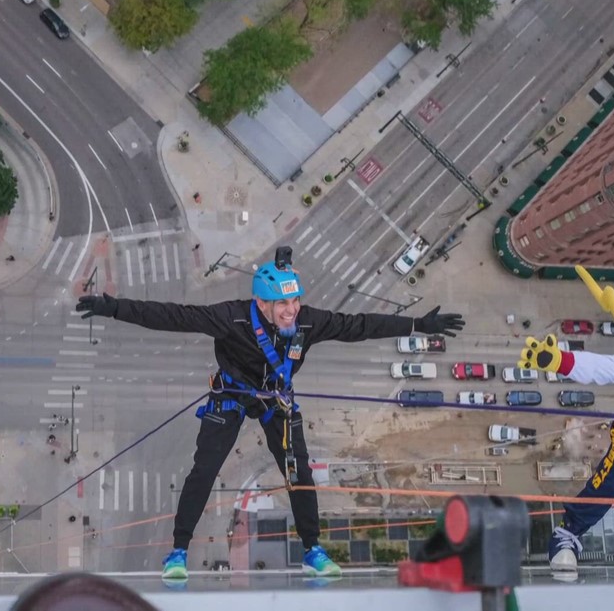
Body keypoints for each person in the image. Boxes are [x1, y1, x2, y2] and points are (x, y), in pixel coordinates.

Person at [76, 247, 464, 580]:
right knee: (204, 470)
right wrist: (112, 308)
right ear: (261, 303)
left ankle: (314, 551)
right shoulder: (231, 318)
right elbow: (173, 317)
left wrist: (417, 325)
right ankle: (178, 552)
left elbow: (358, 325)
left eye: (294, 302)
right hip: (231, 395)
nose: (291, 311)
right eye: (282, 304)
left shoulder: (307, 321)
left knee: (300, 473)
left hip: (276, 400)